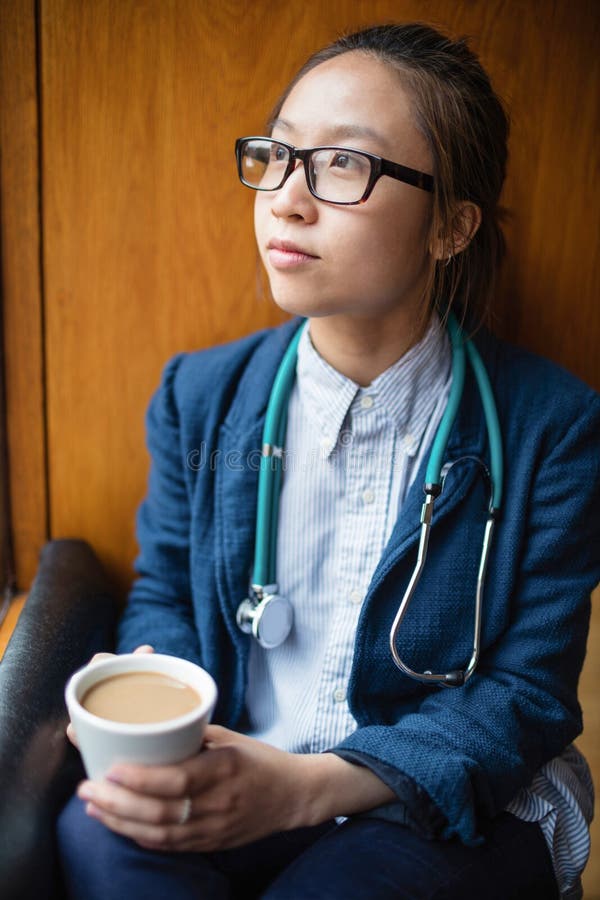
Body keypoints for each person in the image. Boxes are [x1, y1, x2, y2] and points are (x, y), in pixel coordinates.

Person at [57, 22, 600, 900]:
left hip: (434, 800)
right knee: (96, 837)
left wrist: (306, 790)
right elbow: (164, 594)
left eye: (344, 165)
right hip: (241, 761)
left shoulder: (552, 425)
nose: (286, 198)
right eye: (278, 155)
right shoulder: (199, 396)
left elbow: (526, 698)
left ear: (451, 227)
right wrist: (160, 732)